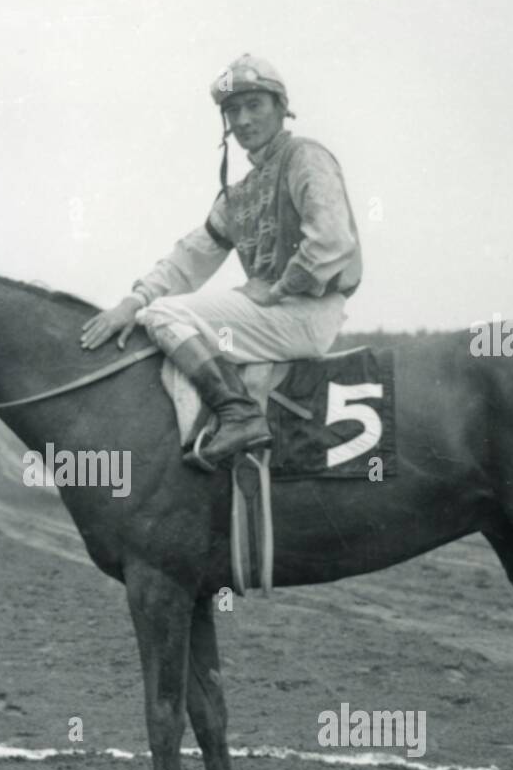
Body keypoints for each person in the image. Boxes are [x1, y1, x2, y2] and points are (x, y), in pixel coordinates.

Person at [80, 53, 363, 469]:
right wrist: (132, 301)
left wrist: (279, 288)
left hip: (307, 311)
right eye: (233, 110)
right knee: (154, 309)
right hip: (274, 313)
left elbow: (333, 241)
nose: (243, 119)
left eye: (254, 105)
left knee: (163, 317)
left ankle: (240, 415)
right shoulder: (238, 195)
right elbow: (189, 259)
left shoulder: (306, 157)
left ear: (281, 107)